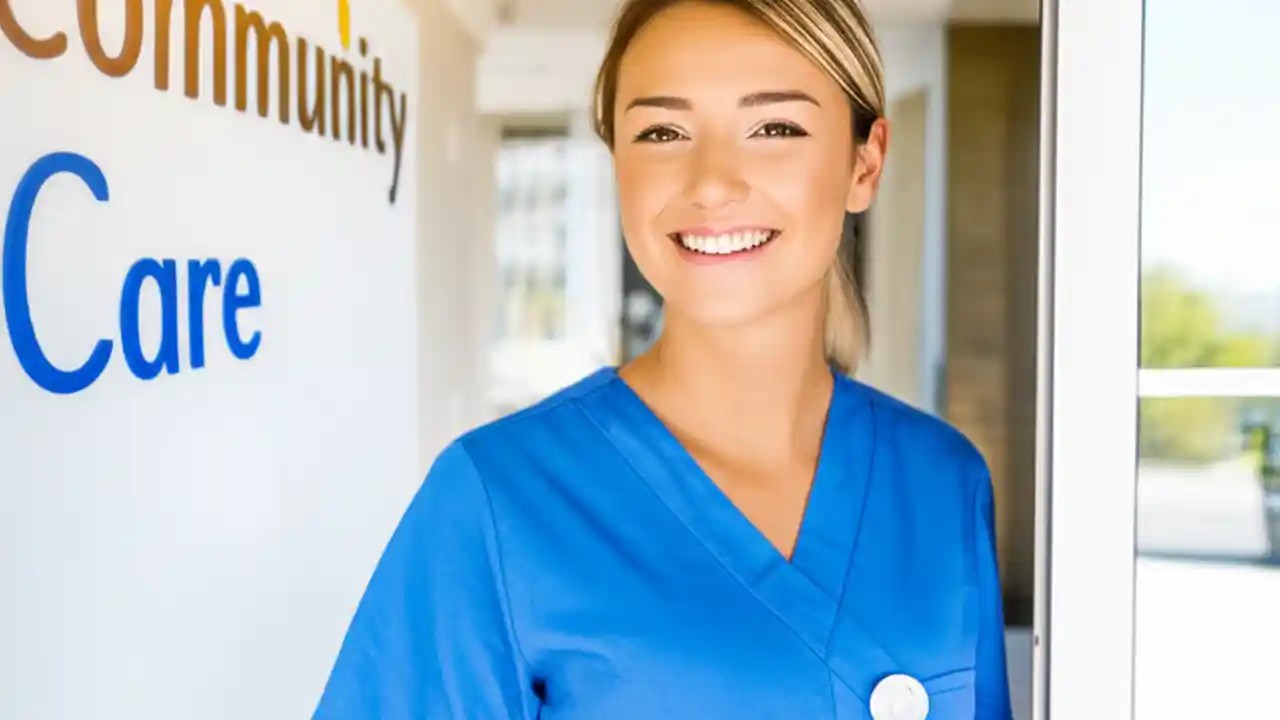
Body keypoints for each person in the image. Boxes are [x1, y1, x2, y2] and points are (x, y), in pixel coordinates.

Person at [312, 0, 1014, 717]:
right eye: (662, 131)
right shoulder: (497, 500)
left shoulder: (940, 481)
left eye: (774, 128)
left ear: (864, 163)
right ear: (618, 160)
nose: (711, 182)